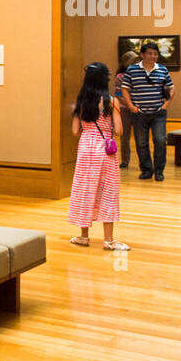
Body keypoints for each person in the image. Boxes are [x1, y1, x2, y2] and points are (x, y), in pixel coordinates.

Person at [68, 62, 128, 250]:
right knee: (107, 191)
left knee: (85, 190)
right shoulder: (111, 102)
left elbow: (75, 131)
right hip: (105, 150)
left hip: (86, 148)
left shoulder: (81, 103)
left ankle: (83, 236)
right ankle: (108, 240)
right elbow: (119, 130)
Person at [120, 42, 174, 181]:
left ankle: (159, 171)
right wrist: (131, 106)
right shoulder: (132, 70)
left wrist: (166, 104)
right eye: (150, 53)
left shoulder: (162, 69)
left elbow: (171, 88)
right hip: (139, 113)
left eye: (155, 54)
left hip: (158, 113)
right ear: (142, 55)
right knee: (141, 143)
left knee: (160, 140)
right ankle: (146, 170)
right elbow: (124, 89)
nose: (153, 56)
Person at [114, 50, 139, 168]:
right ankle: (125, 160)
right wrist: (130, 106)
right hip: (125, 109)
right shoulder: (120, 77)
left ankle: (144, 162)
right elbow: (118, 95)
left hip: (139, 109)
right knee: (125, 137)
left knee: (141, 137)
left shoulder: (141, 74)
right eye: (133, 61)